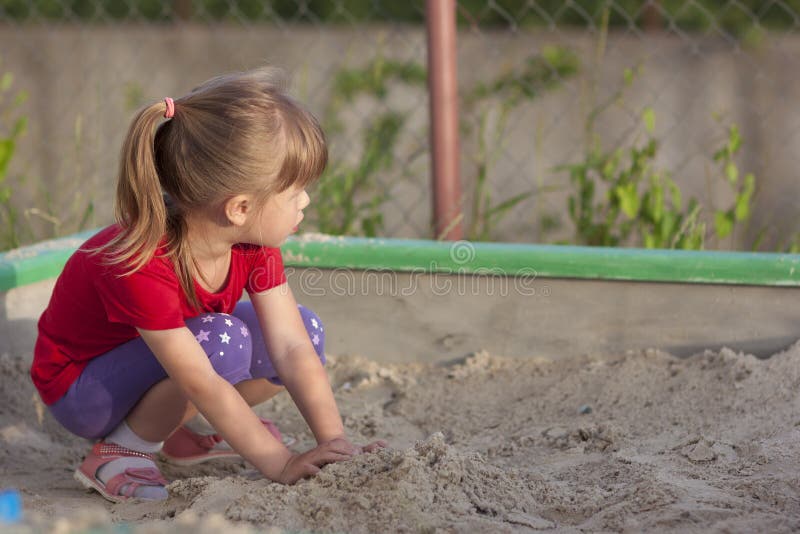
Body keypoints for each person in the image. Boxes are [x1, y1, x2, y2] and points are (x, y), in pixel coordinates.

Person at [29, 67, 386, 503]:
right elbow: (200, 379)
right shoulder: (143, 258)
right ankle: (119, 451)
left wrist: (335, 444)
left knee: (306, 332)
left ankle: (168, 430)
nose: (306, 201)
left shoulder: (250, 243)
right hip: (84, 392)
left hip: (162, 361)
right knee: (222, 342)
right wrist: (279, 462)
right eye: (295, 192)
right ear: (239, 207)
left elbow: (291, 347)